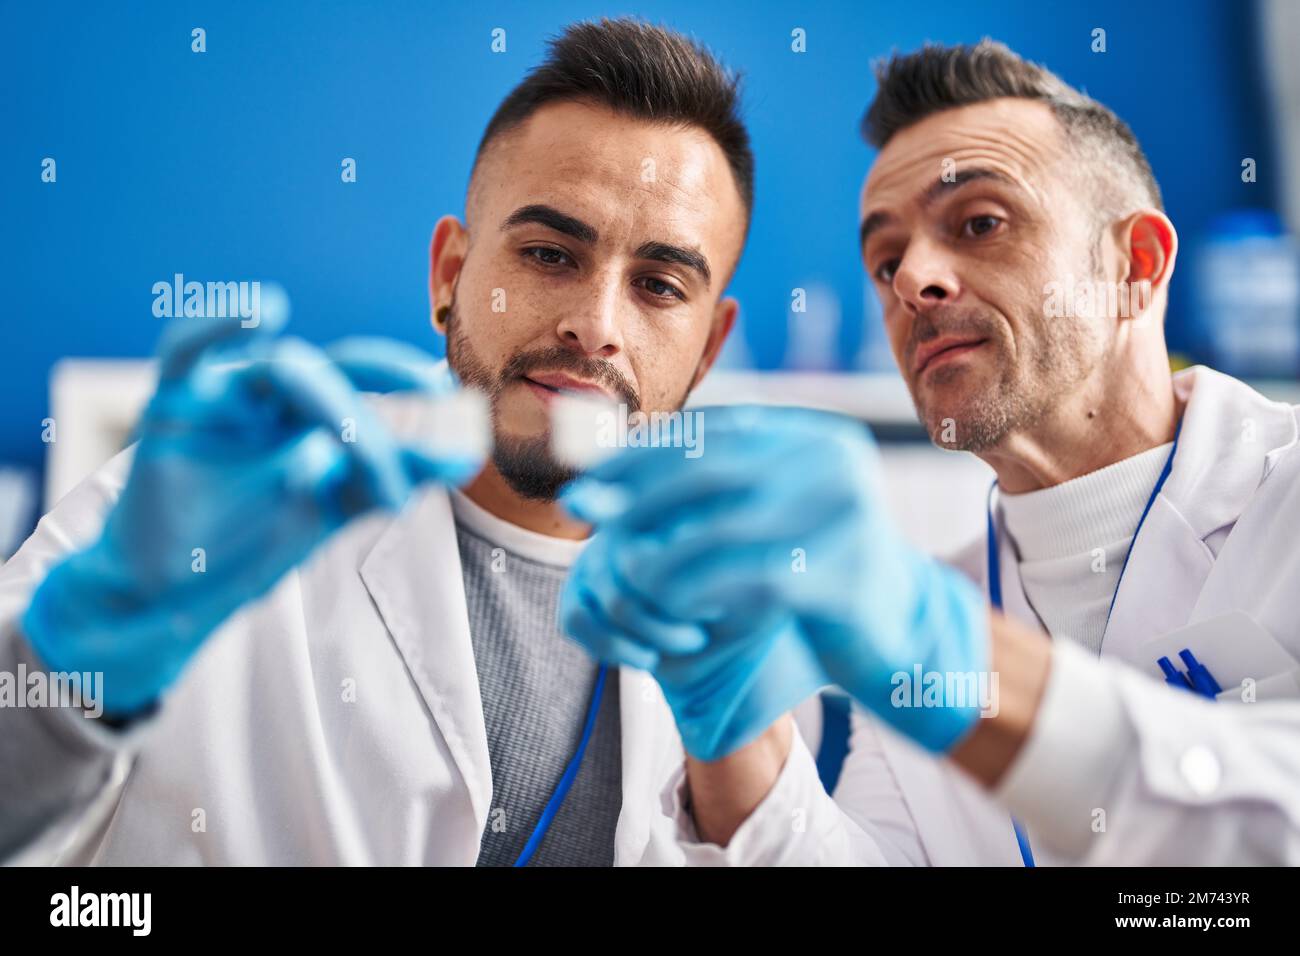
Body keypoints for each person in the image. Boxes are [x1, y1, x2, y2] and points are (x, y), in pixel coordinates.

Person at [0, 18, 884, 866]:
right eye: (549, 254)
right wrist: (84, 655)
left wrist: (748, 780)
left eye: (658, 285)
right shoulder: (211, 518)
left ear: (708, 350)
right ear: (451, 276)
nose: (595, 326)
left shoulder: (732, 623)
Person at [560, 40, 1300, 865]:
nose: (913, 279)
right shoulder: (933, 604)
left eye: (980, 223)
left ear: (1137, 263)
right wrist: (732, 734)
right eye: (885, 259)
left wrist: (950, 649)